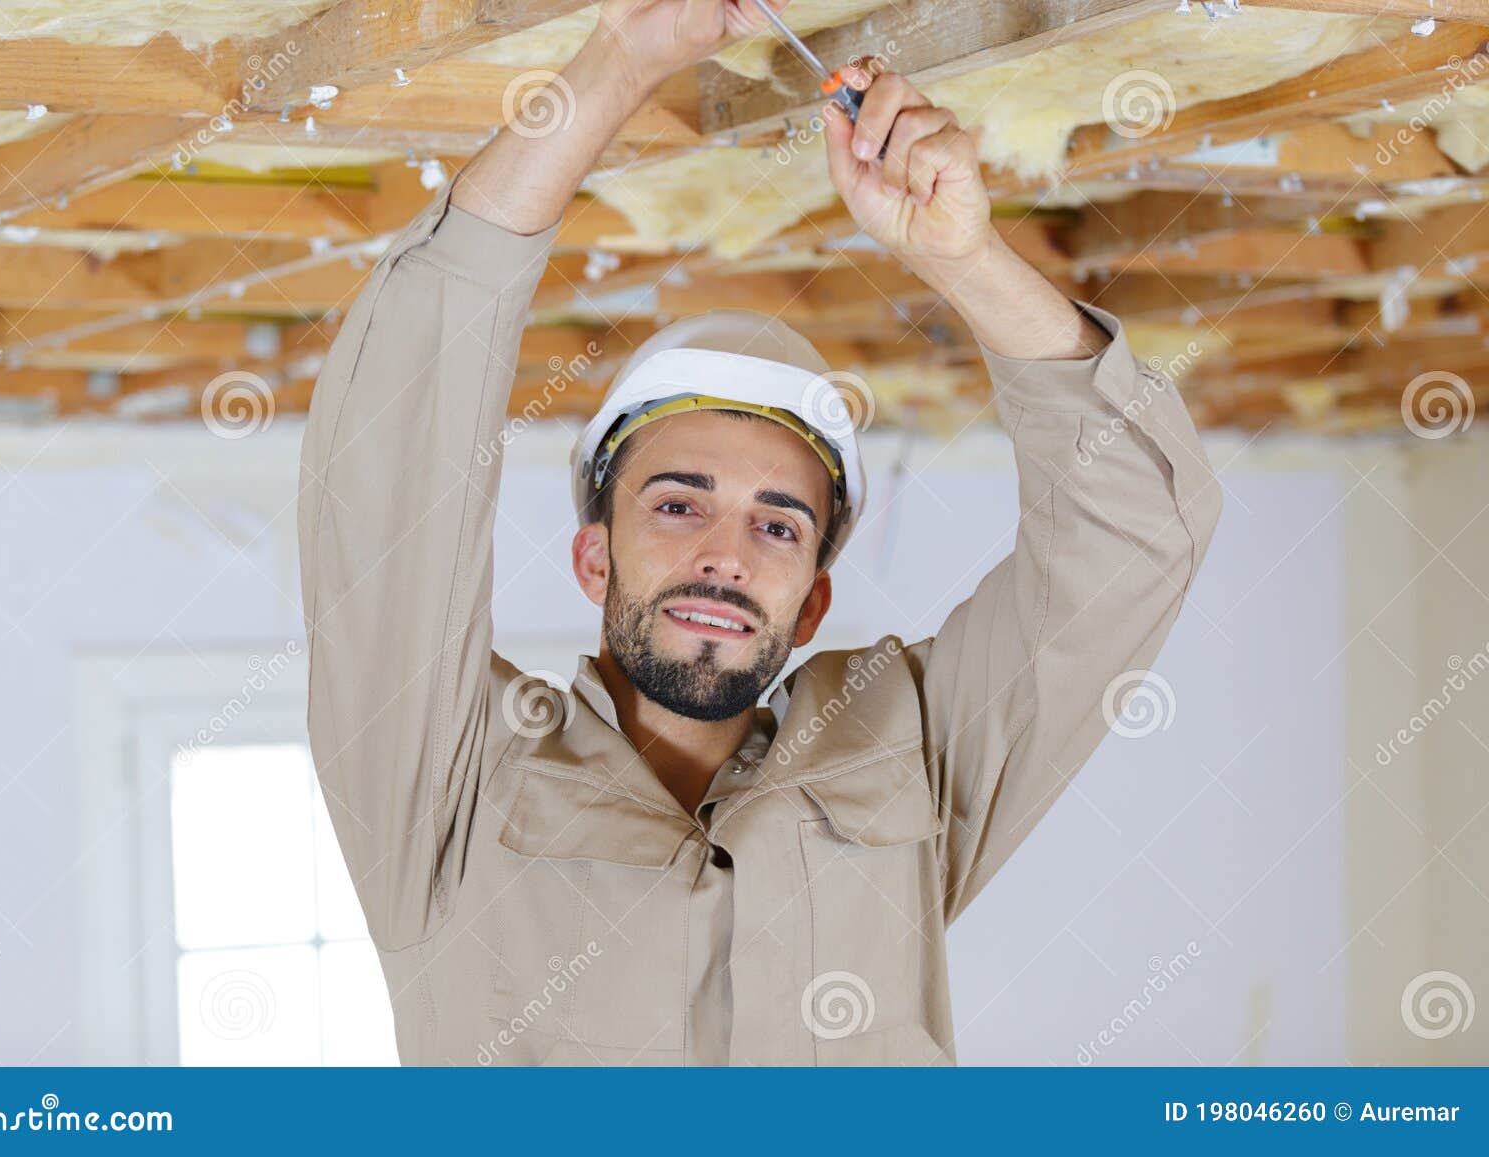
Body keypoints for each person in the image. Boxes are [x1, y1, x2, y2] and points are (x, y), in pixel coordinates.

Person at [296, 0, 1222, 1066]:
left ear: (814, 598)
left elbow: (1133, 533)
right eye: (677, 503)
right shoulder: (445, 783)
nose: (726, 556)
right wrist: (621, 58)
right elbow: (391, 452)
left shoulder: (909, 754)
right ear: (593, 553)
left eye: (778, 526)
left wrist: (967, 258)